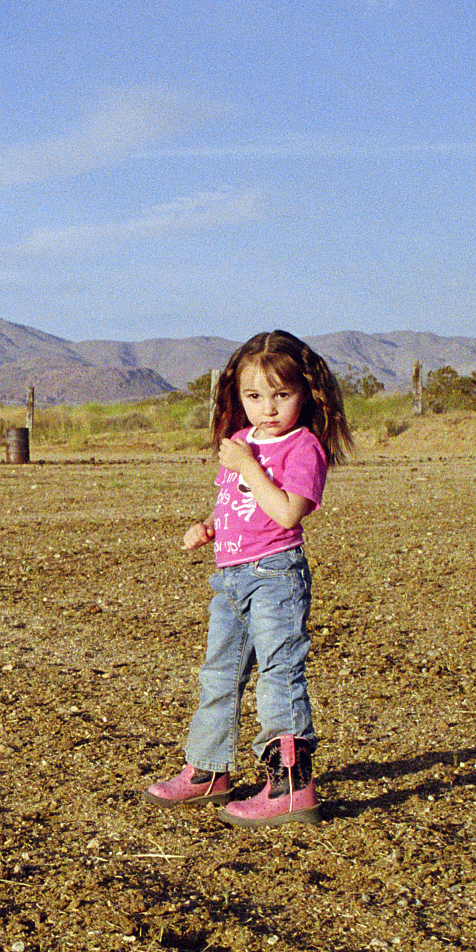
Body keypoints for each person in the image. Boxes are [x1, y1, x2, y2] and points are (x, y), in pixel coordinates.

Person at [144, 330, 354, 826]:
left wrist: (250, 465)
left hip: (275, 575)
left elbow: (286, 513)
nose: (268, 409)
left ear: (306, 393)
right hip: (231, 577)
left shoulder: (303, 448)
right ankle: (207, 770)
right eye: (254, 396)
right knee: (219, 674)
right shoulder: (241, 442)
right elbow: (237, 504)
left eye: (281, 395)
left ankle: (290, 786)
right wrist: (209, 527)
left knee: (280, 674)